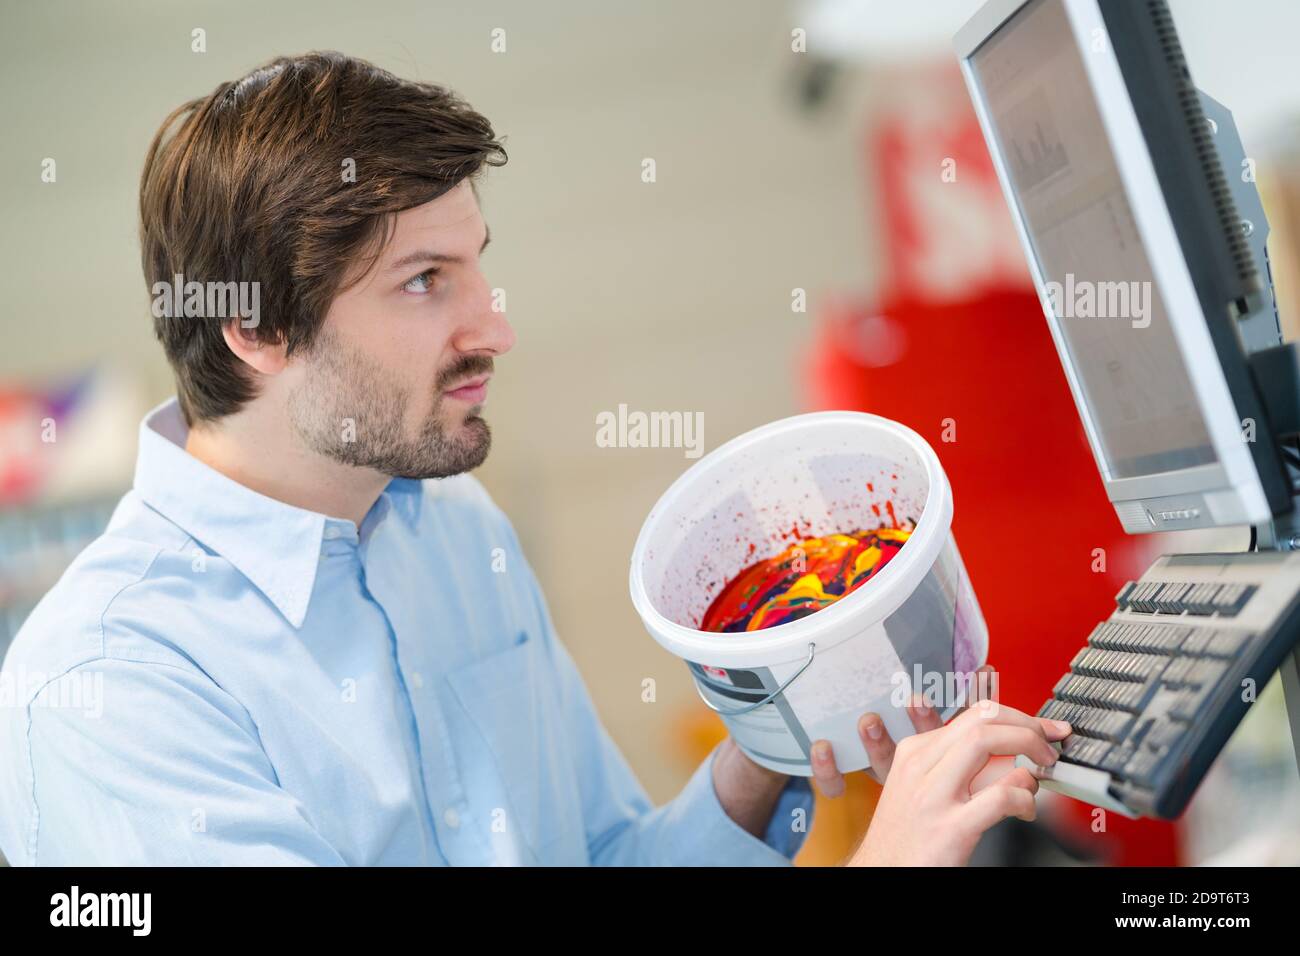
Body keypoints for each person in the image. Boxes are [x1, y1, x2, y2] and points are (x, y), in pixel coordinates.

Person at [0, 52, 1068, 866]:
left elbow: (608, 859)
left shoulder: (454, 526)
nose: (493, 327)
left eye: (477, 267)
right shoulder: (111, 689)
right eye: (425, 280)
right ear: (256, 328)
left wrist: (771, 740)